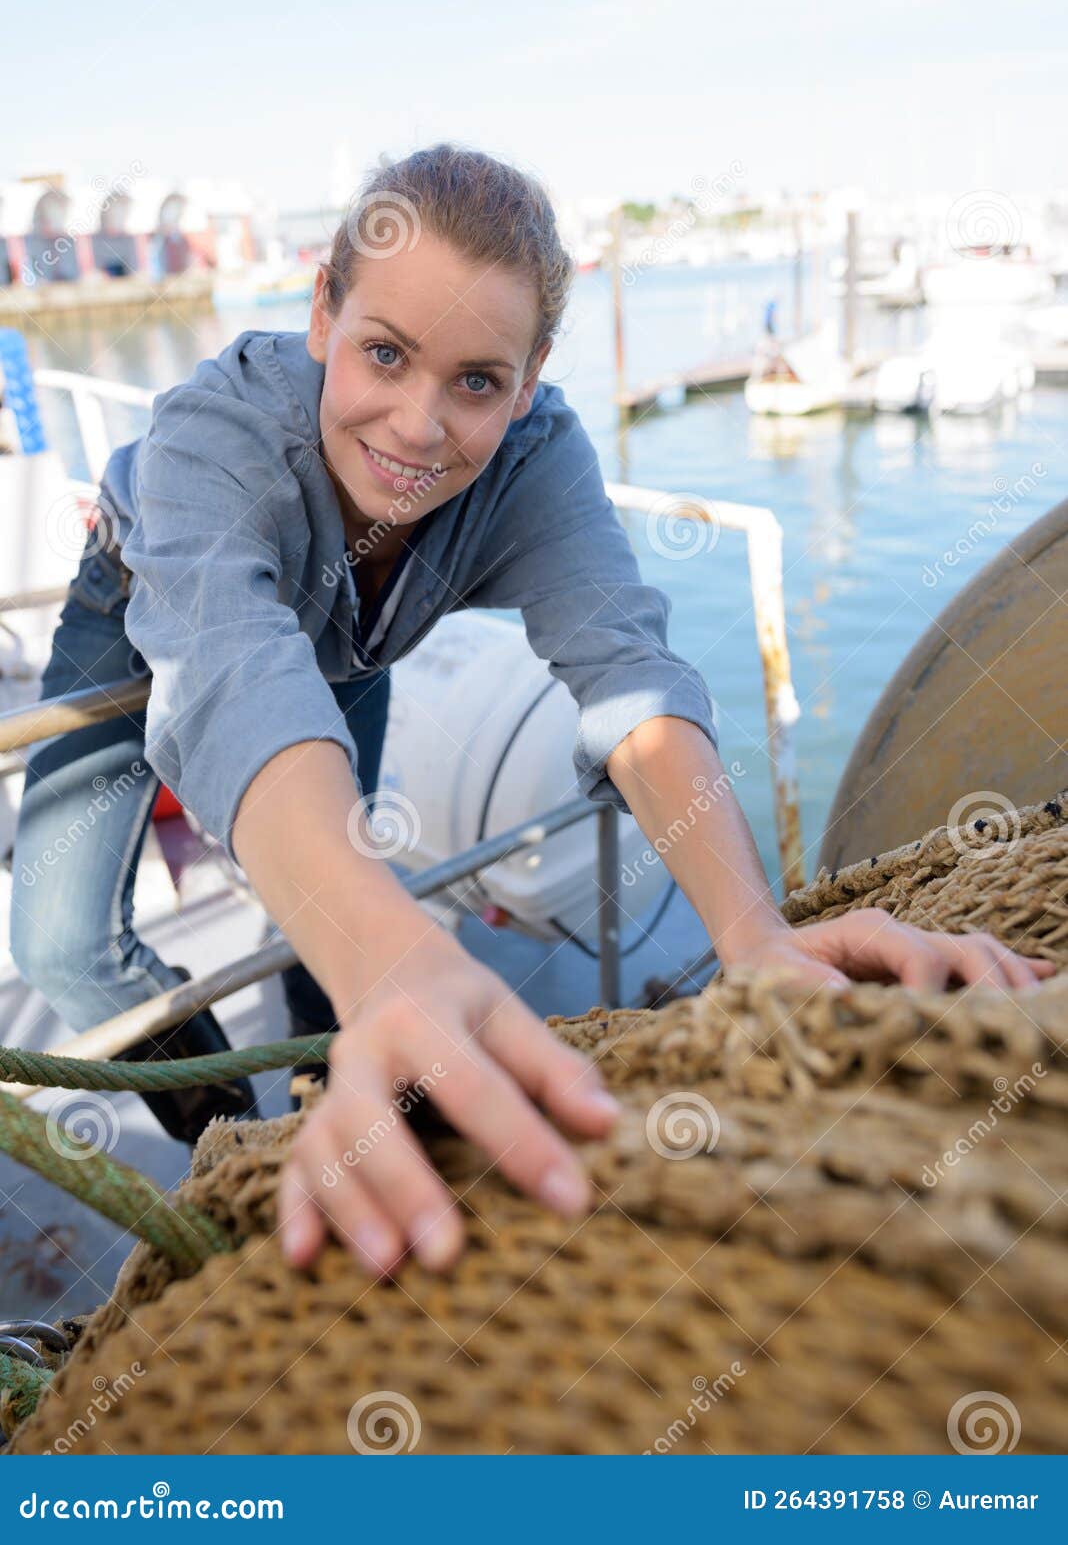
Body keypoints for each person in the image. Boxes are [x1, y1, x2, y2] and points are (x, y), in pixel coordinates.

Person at [9, 144, 1053, 1279]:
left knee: (336, 873)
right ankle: (225, 1130)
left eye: (475, 382)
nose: (416, 426)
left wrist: (753, 934)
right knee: (63, 945)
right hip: (143, 600)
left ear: (532, 371)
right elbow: (229, 675)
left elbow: (629, 673)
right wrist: (393, 961)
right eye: (384, 354)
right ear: (321, 311)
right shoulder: (208, 441)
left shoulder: (536, 458)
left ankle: (346, 1065)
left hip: (356, 637)